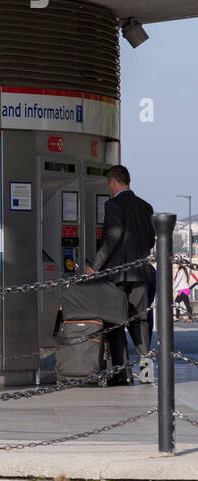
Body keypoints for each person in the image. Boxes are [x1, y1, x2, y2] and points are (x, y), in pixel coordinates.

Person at [86, 165, 155, 385]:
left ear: (114, 182)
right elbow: (150, 239)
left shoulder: (113, 204)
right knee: (140, 322)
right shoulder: (146, 206)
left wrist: (94, 267)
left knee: (114, 324)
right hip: (141, 274)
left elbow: (112, 238)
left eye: (109, 184)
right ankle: (146, 372)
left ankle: (122, 375)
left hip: (117, 277)